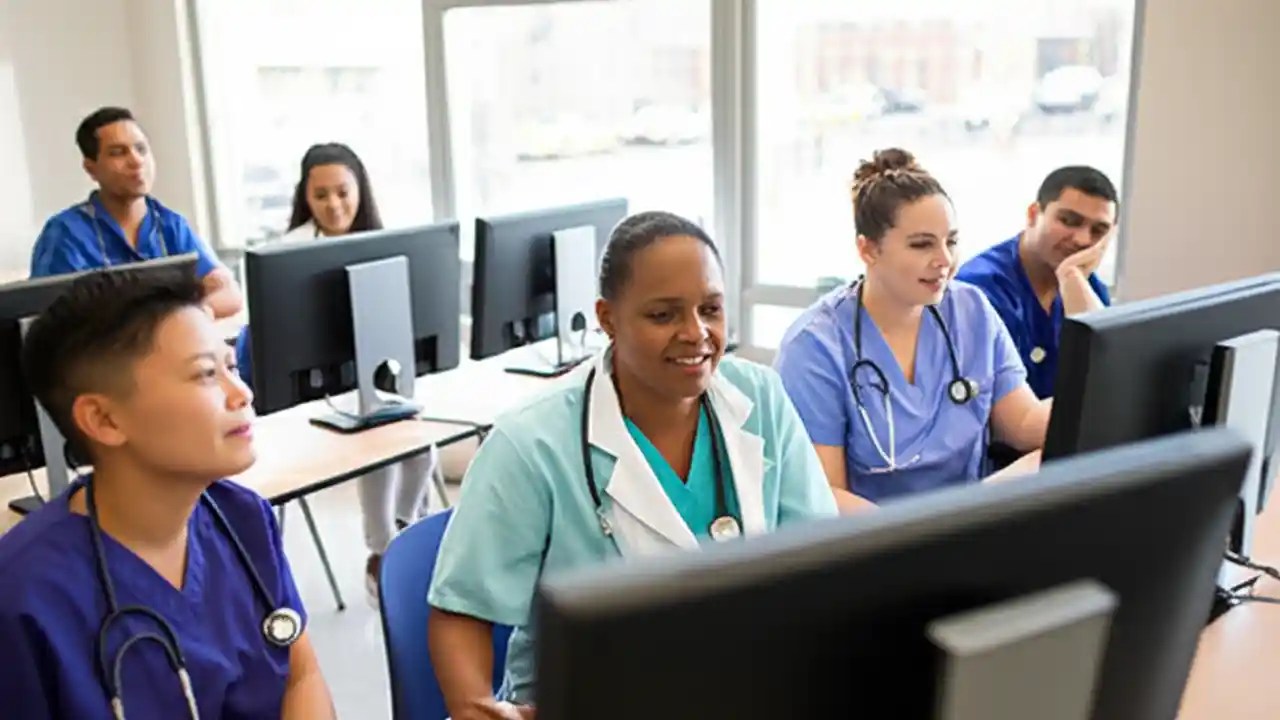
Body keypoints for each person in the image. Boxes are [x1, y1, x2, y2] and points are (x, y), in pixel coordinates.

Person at [427, 211, 838, 717]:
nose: (696, 333)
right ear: (607, 319)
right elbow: (461, 611)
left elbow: (821, 564)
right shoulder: (531, 443)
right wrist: (475, 708)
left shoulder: (761, 398)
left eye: (710, 309)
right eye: (663, 315)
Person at [0, 267, 333, 718]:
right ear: (104, 420)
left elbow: (301, 675)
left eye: (232, 366)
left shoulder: (242, 518)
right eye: (205, 374)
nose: (242, 393)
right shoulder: (23, 597)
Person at [774, 148, 1049, 514]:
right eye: (922, 244)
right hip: (875, 537)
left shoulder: (972, 311)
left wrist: (1098, 401)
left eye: (951, 241)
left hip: (971, 522)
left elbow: (1023, 422)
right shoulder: (815, 347)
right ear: (868, 250)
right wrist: (920, 535)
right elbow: (826, 494)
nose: (945, 260)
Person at [235, 142, 433, 603]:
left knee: (416, 433)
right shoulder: (286, 254)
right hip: (315, 391)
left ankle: (405, 534)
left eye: (343, 192)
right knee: (380, 434)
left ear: (360, 190)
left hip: (377, 378)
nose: (334, 204)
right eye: (320, 195)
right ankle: (383, 551)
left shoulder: (387, 244)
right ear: (305, 197)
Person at [29, 106, 242, 319]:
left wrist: (194, 316)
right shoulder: (66, 233)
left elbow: (229, 292)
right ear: (91, 168)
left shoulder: (170, 225)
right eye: (118, 152)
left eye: (141, 149)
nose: (136, 161)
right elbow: (47, 318)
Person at [955, 166, 1117, 398]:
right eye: (1069, 220)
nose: (1083, 240)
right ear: (1033, 215)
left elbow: (1108, 382)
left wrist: (1072, 280)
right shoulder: (979, 289)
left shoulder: (1086, 285)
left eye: (1099, 231)